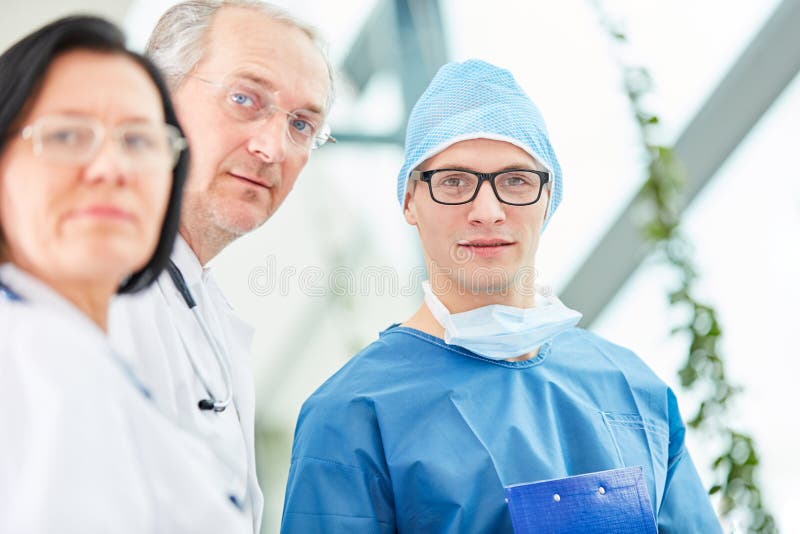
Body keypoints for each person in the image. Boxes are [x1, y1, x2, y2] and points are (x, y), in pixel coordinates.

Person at [281, 60, 722, 533]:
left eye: (515, 181)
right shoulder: (351, 415)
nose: (487, 211)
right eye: (454, 182)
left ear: (548, 197)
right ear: (409, 200)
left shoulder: (632, 388)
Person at [0, 15, 251, 533]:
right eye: (68, 134)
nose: (111, 167)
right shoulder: (36, 358)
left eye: (138, 141)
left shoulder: (84, 356)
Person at [109, 1, 334, 531]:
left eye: (302, 125)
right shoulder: (93, 288)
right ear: (153, 96)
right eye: (244, 99)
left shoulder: (203, 305)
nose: (272, 147)